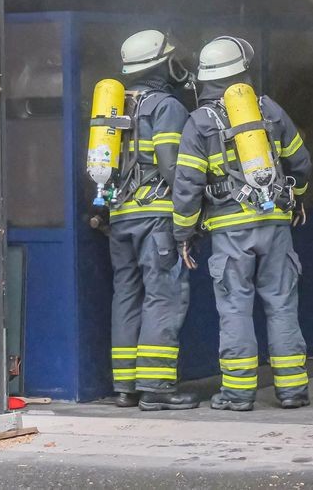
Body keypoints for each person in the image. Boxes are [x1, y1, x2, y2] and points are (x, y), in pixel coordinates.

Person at [172, 36, 312, 411]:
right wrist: (296, 196)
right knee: (282, 305)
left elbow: (187, 184)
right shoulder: (270, 110)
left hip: (230, 232)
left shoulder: (199, 123)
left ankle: (237, 394)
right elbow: (301, 163)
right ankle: (293, 390)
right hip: (275, 223)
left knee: (234, 309)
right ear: (242, 71)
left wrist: (184, 233)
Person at [104, 30, 199, 410]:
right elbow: (172, 165)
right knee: (164, 295)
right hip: (156, 217)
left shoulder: (113, 107)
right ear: (163, 64)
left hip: (120, 215)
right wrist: (189, 217)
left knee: (126, 294)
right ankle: (157, 388)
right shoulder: (166, 106)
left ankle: (125, 386)